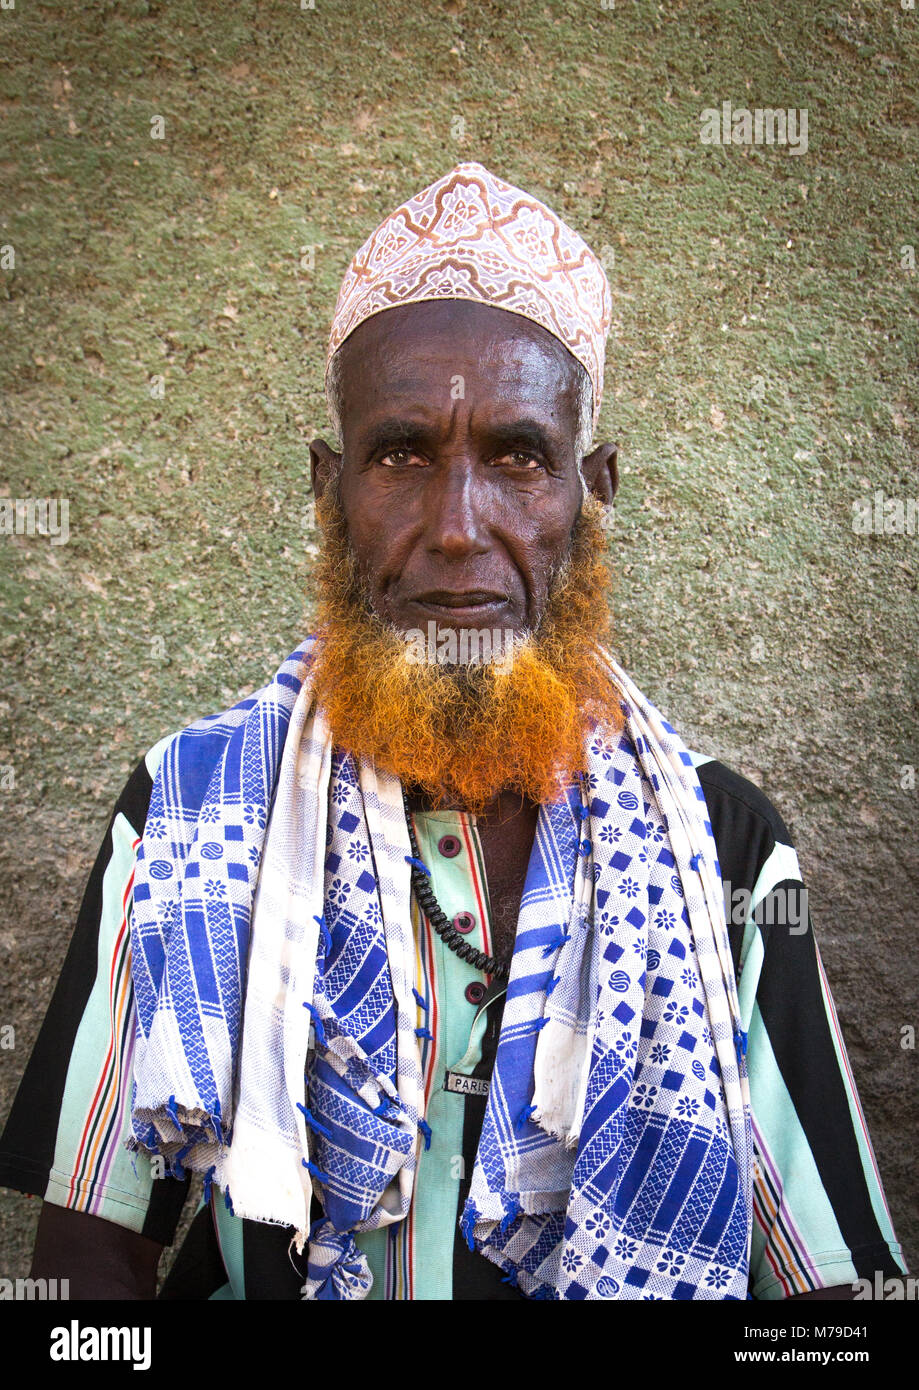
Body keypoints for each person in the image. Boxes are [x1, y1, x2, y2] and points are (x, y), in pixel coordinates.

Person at [0, 163, 906, 1301]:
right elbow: (87, 1282)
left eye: (520, 458)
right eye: (401, 455)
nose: (457, 529)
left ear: (594, 490)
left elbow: (830, 1300)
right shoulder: (186, 808)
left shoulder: (722, 850)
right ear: (332, 491)